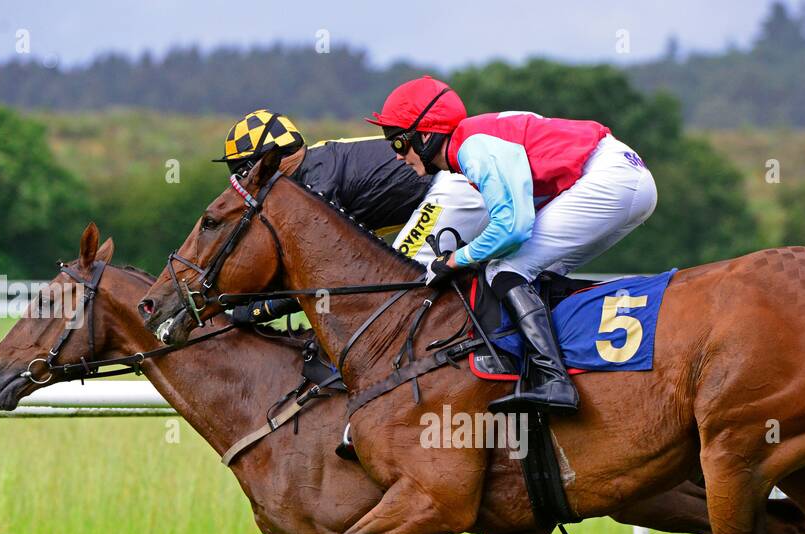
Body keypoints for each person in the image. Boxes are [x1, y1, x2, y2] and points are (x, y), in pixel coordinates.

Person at [368, 77, 658, 413]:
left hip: (611, 178)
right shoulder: (472, 142)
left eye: (399, 143)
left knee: (505, 269)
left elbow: (512, 228)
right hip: (624, 177)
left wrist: (454, 260)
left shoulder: (471, 148)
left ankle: (555, 380)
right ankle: (572, 363)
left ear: (427, 134)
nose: (398, 156)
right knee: (538, 271)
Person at [215, 109, 487, 325]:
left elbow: (324, 281)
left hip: (453, 187)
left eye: (241, 172)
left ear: (268, 161)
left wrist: (255, 312)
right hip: (456, 186)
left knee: (393, 283)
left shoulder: (315, 187)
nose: (243, 183)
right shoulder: (314, 165)